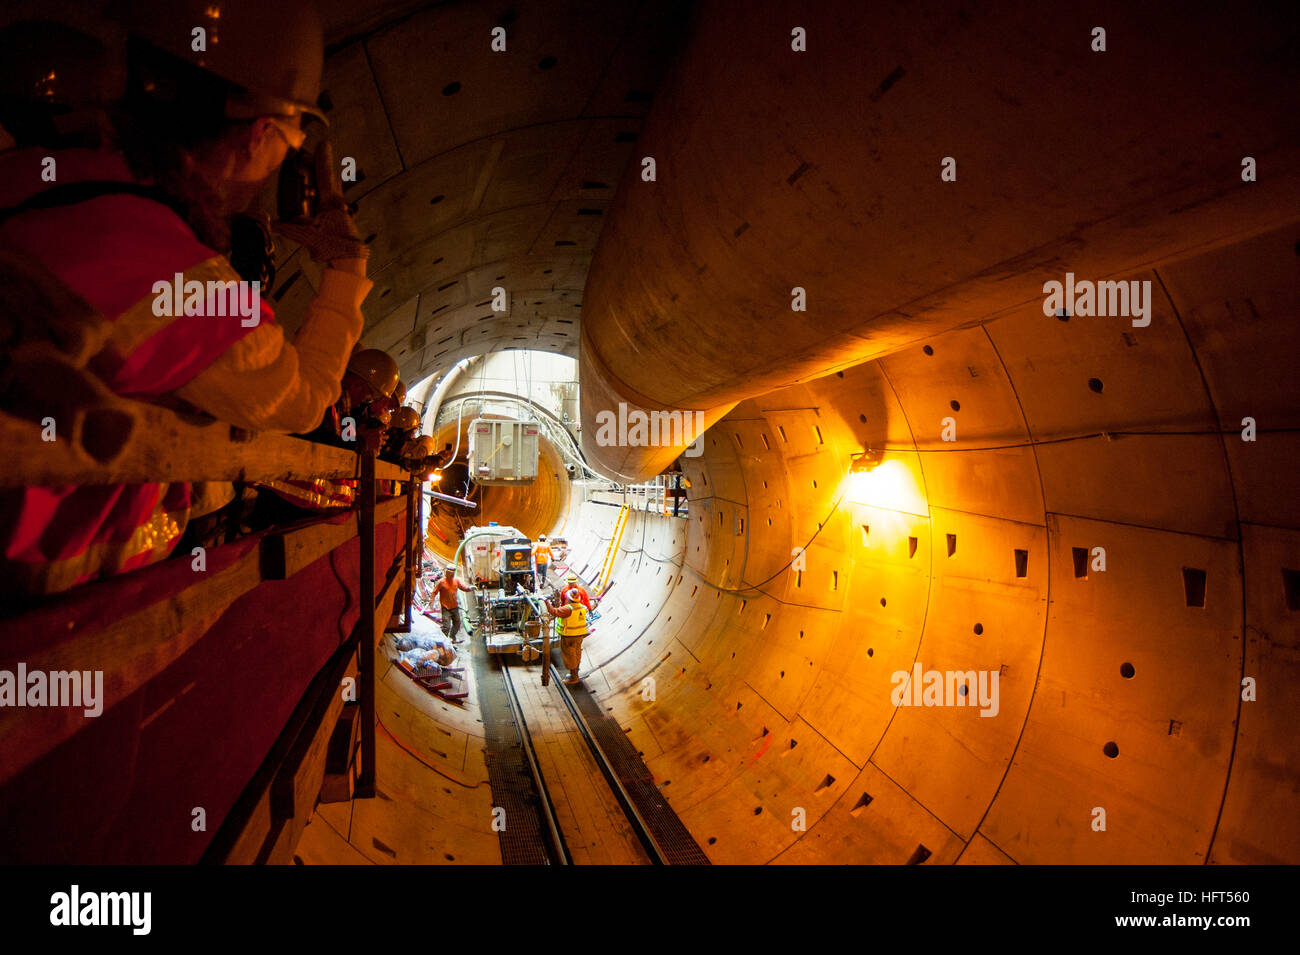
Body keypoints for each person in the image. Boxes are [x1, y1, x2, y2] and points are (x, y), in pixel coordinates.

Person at [0, 0, 371, 596]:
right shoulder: (180, 273)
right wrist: (345, 270)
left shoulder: (35, 180)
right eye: (289, 144)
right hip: (45, 598)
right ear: (259, 136)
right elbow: (299, 400)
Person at [546, 587, 589, 686]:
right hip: (579, 636)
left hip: (569, 636)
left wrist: (546, 602)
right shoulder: (582, 607)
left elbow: (553, 612)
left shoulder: (567, 609)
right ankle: (575, 674)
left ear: (568, 598)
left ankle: (573, 677)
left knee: (570, 655)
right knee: (576, 653)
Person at [432, 565, 473, 643]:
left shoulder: (456, 581)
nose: (451, 575)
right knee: (446, 626)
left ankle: (452, 637)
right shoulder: (441, 582)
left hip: (454, 607)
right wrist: (432, 602)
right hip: (445, 608)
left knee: (457, 624)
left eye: (452, 573)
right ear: (446, 572)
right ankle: (443, 641)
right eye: (449, 573)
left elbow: (463, 587)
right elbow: (434, 592)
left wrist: (469, 588)